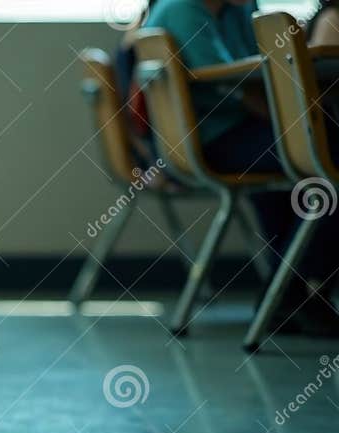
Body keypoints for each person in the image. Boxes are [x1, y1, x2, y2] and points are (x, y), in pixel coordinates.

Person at [142, 0, 339, 335]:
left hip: (240, 134)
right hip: (213, 141)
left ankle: (289, 295)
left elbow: (260, 72)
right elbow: (230, 84)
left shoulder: (237, 12)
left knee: (310, 161)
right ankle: (293, 289)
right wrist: (292, 117)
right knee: (326, 151)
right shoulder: (180, 9)